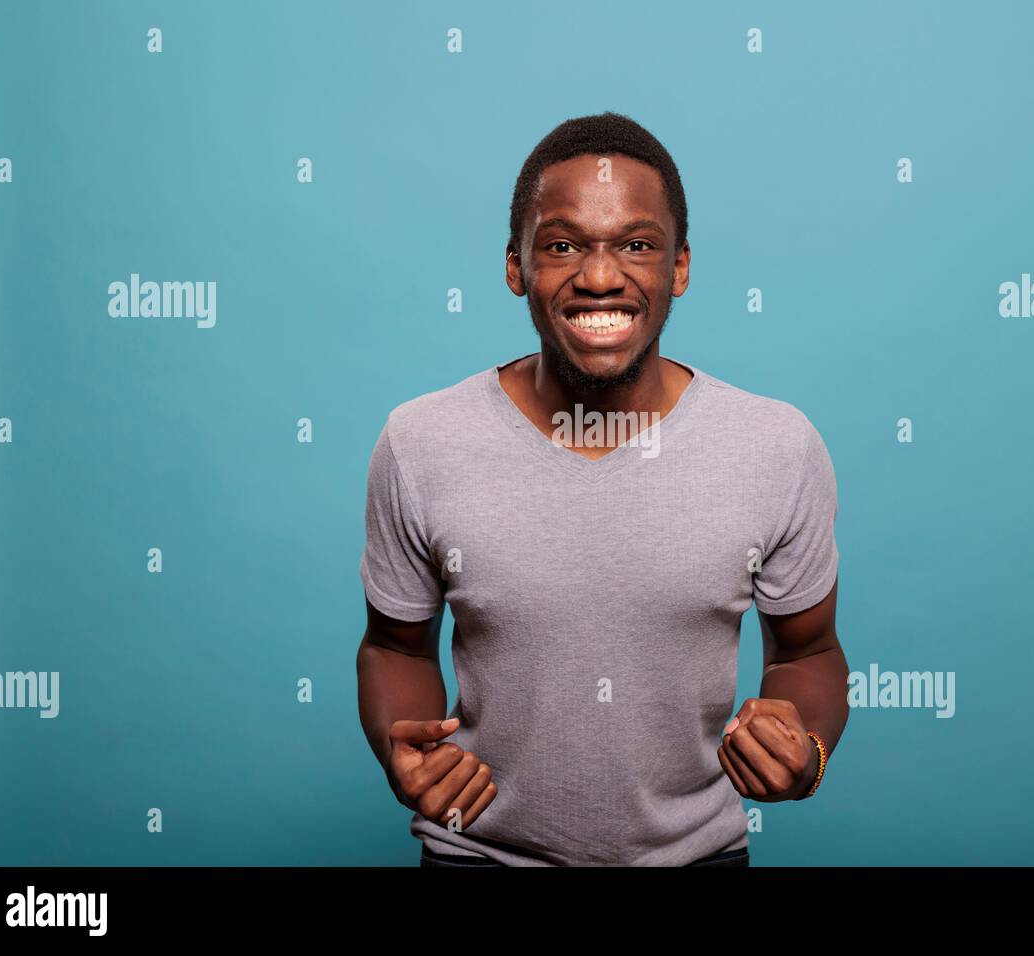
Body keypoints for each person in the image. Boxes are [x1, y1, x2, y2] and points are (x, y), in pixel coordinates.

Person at [356, 111, 849, 867]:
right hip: (474, 858)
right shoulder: (420, 441)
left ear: (679, 267)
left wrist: (806, 750)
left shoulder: (777, 447)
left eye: (636, 245)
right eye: (561, 245)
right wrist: (409, 760)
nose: (599, 275)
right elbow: (393, 647)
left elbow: (809, 652)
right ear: (517, 266)